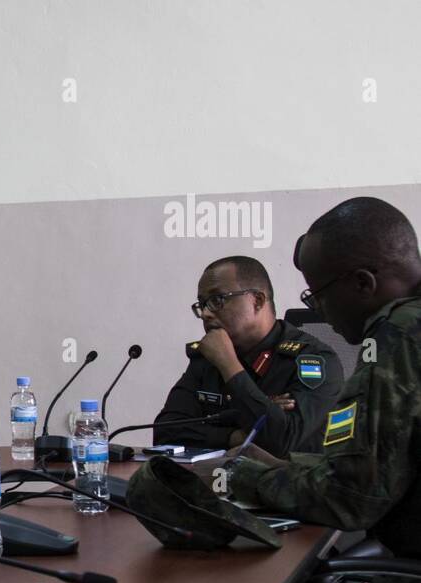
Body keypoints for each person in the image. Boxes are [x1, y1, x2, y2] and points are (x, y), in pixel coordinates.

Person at [229, 197, 421, 559]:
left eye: (316, 295)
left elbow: (351, 498)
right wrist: (290, 467)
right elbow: (385, 462)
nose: (316, 309)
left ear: (363, 284)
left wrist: (241, 477)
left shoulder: (400, 335)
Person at [153, 255, 343, 455]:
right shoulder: (208, 356)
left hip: (287, 483)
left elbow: (281, 440)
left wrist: (230, 366)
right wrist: (236, 436)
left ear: (257, 301)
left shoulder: (312, 360)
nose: (206, 314)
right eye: (202, 304)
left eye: (217, 300)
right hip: (218, 478)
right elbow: (165, 431)